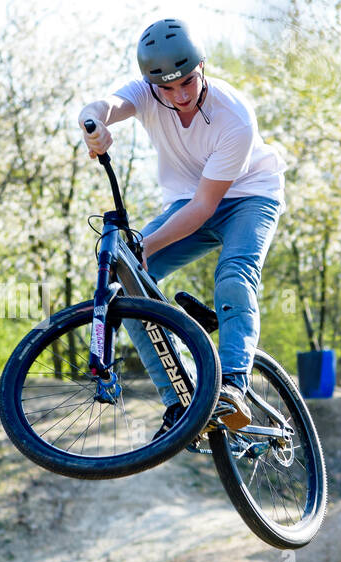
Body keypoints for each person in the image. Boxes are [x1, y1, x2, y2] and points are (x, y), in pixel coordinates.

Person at [77, 17, 287, 437]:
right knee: (130, 282)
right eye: (166, 88)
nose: (179, 96)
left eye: (187, 82)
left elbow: (205, 207)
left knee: (233, 276)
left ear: (202, 67)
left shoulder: (234, 118)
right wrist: (92, 122)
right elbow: (106, 105)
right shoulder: (148, 93)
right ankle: (179, 403)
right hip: (186, 201)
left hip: (248, 197)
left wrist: (146, 246)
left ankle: (233, 386)